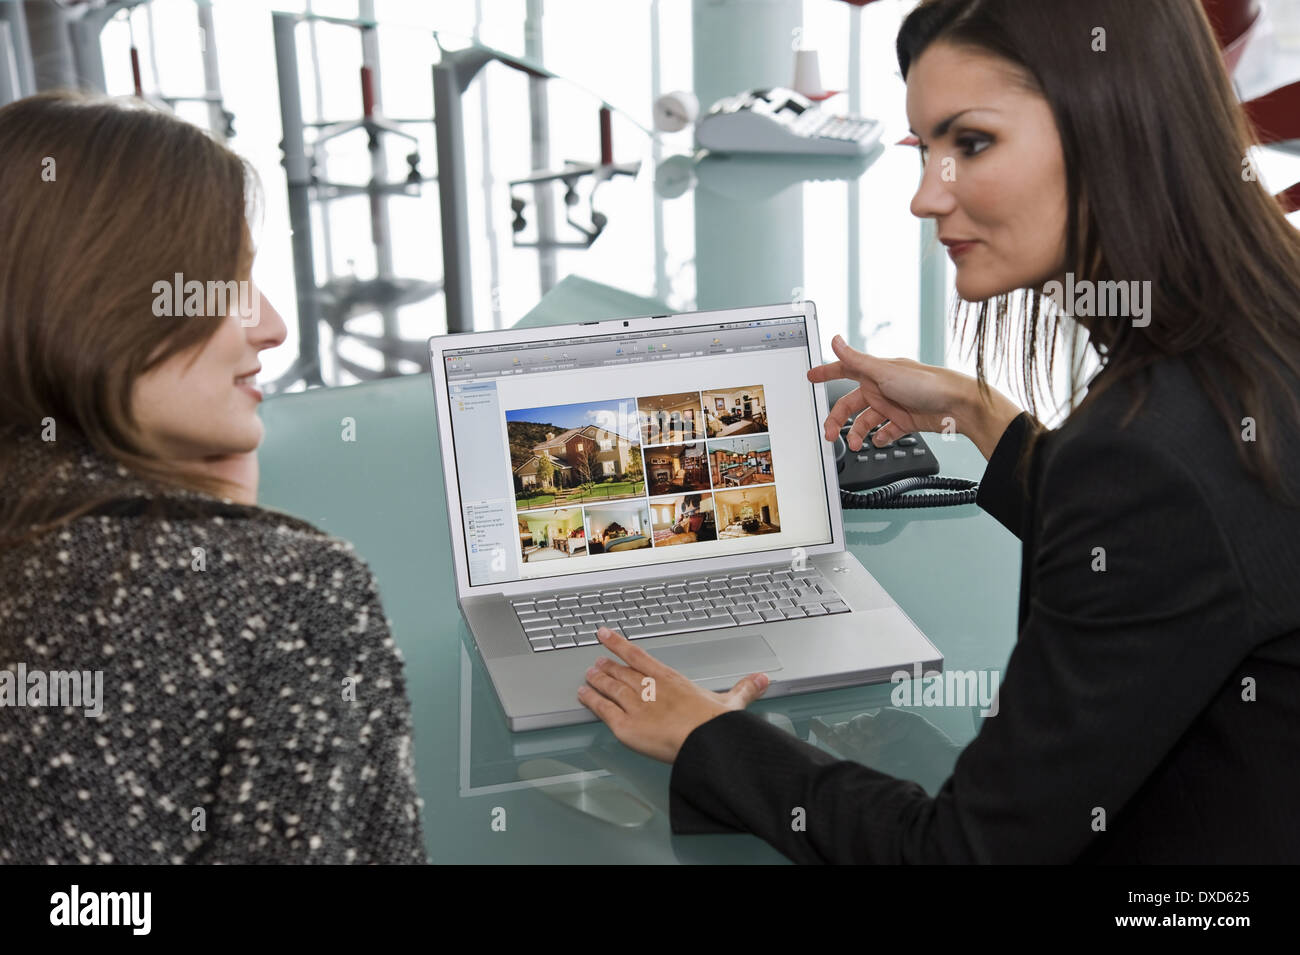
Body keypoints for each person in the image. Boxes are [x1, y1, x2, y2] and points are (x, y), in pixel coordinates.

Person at [577, 0, 1300, 863]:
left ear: (1114, 122)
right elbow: (1205, 539)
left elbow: (962, 854)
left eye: (974, 143)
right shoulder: (1262, 320)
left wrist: (706, 738)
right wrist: (975, 409)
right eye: (925, 151)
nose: (926, 197)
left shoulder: (1144, 456)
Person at [0, 91, 427, 863]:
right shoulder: (290, 592)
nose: (271, 324)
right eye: (229, 283)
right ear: (100, 302)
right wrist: (239, 550)